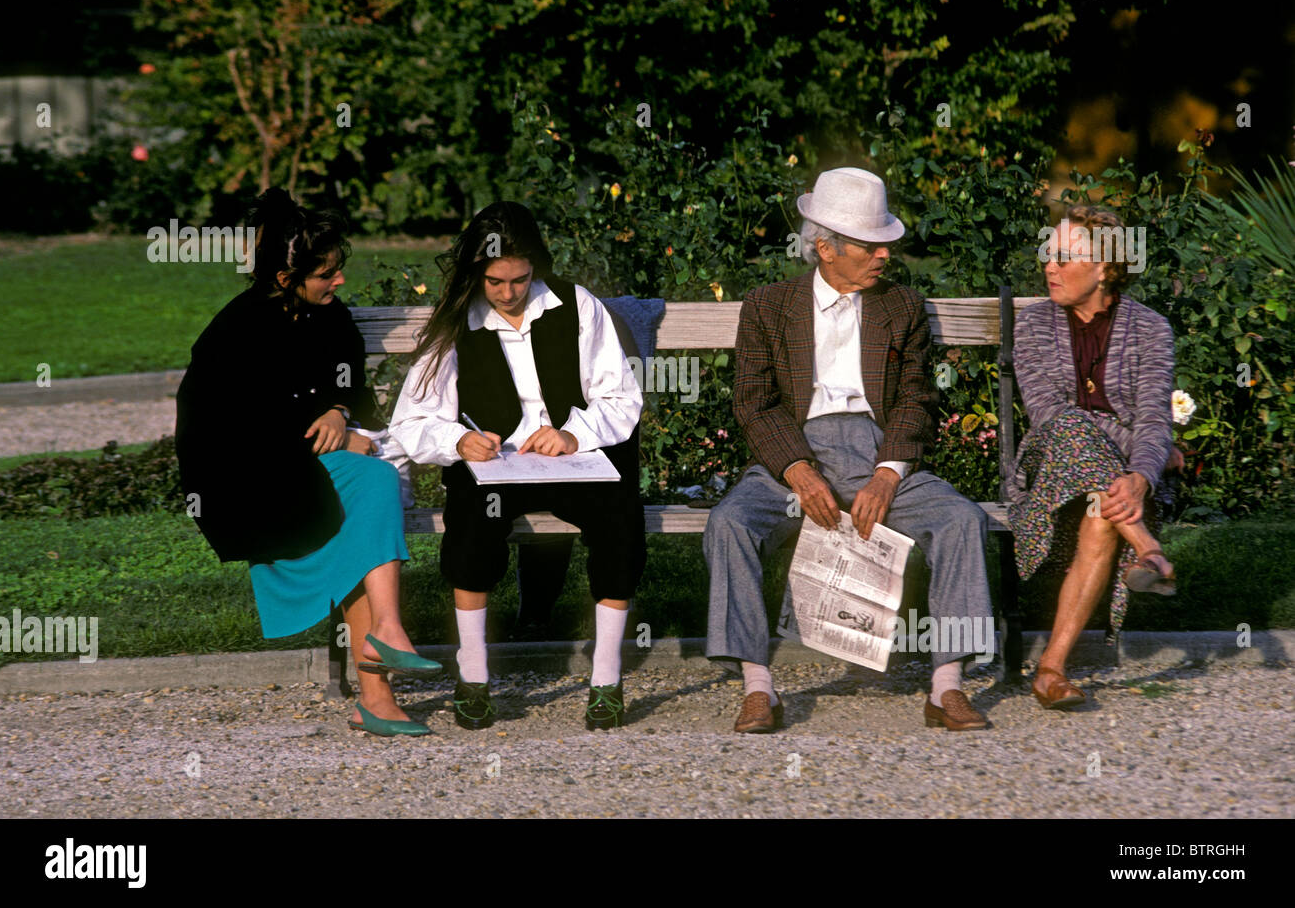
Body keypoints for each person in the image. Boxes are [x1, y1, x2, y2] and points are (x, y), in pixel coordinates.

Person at [704, 167, 995, 734]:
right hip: (794, 451)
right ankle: (758, 687)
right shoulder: (768, 305)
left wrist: (888, 475)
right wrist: (796, 471)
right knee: (730, 523)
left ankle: (947, 687)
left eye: (887, 244)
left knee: (961, 520)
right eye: (871, 245)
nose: (885, 255)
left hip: (878, 453)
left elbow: (914, 400)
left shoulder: (900, 307)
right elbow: (754, 402)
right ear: (825, 248)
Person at [175, 187, 442, 738]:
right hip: (241, 477)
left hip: (297, 462)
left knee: (369, 495)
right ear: (283, 279)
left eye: (338, 270)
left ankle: (382, 665)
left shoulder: (325, 314)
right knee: (369, 488)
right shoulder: (237, 332)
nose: (339, 281)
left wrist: (341, 410)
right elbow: (239, 428)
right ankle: (382, 663)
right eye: (327, 274)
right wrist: (341, 442)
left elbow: (345, 367)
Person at [388, 201, 645, 731]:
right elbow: (412, 422)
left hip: (571, 461)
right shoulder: (455, 326)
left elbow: (620, 397)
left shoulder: (578, 306)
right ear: (475, 274)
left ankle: (606, 678)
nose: (508, 293)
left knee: (620, 518)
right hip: (495, 467)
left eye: (520, 279)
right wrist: (460, 442)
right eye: (495, 281)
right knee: (472, 525)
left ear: (537, 267)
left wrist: (575, 433)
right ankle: (474, 674)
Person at [1010, 204, 1181, 710]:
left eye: (1065, 256)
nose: (1050, 266)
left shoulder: (1151, 330)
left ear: (1105, 267)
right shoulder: (1034, 324)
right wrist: (1143, 462)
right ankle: (1147, 547)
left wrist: (1139, 478)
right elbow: (1045, 412)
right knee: (1068, 422)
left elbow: (1153, 419)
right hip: (1047, 470)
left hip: (1117, 484)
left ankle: (1050, 670)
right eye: (1049, 254)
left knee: (1101, 514)